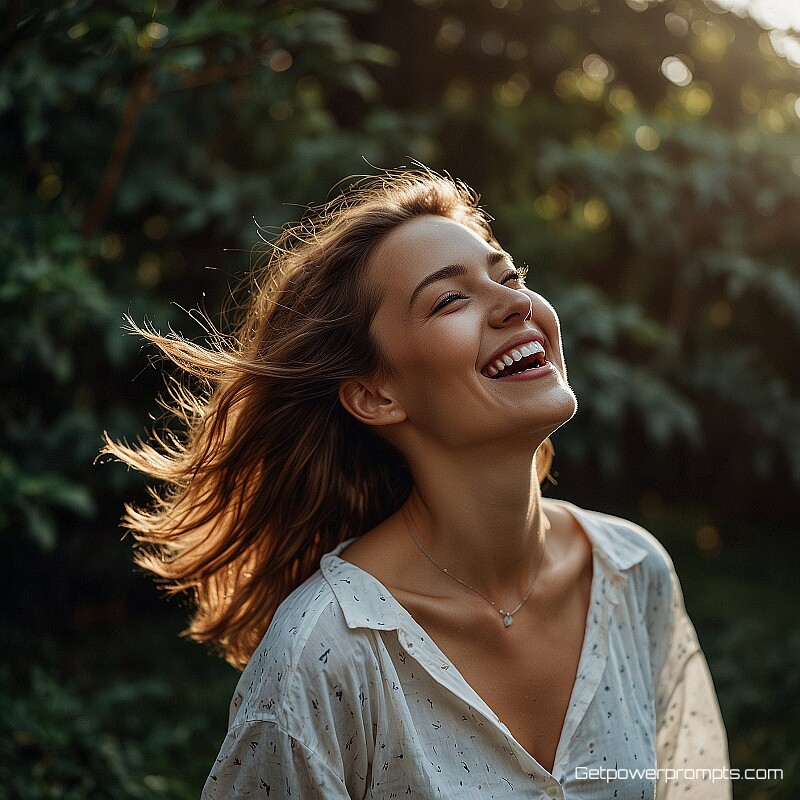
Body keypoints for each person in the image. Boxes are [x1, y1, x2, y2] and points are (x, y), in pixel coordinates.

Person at [104, 169, 732, 799]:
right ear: (375, 395)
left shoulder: (633, 572)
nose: (517, 303)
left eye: (509, 276)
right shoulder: (327, 654)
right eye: (450, 299)